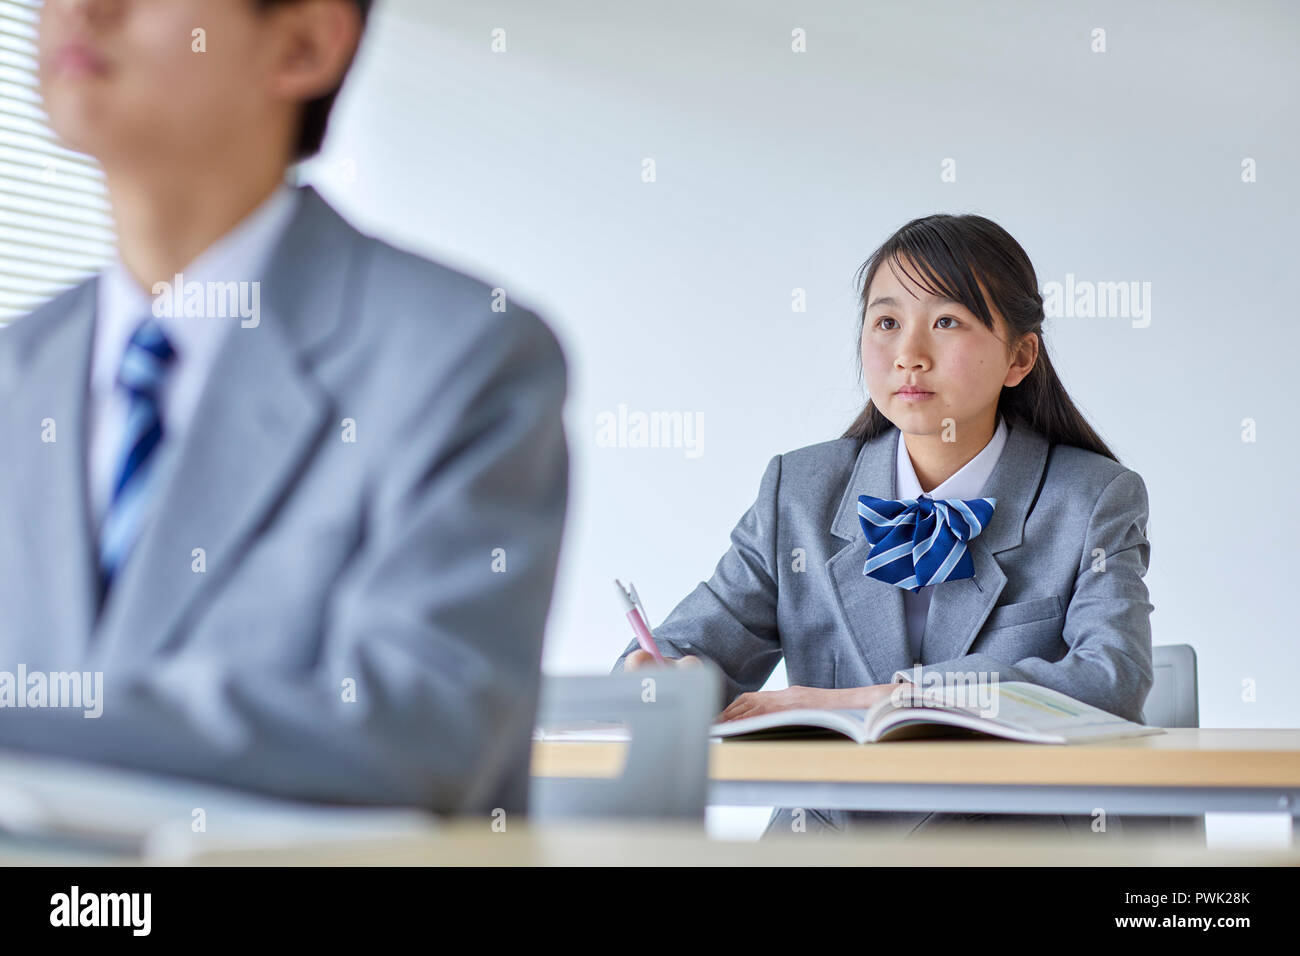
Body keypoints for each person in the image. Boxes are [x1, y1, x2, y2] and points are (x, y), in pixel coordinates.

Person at [0, 0, 568, 815]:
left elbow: (420, 731)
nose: (81, 11)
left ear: (304, 44)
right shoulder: (18, 371)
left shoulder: (464, 356)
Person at [615, 213, 1161, 839]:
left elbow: (1112, 681)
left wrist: (875, 699)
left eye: (947, 321)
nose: (909, 355)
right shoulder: (797, 492)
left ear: (1019, 356)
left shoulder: (1092, 498)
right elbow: (693, 646)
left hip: (1013, 843)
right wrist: (659, 678)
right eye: (887, 322)